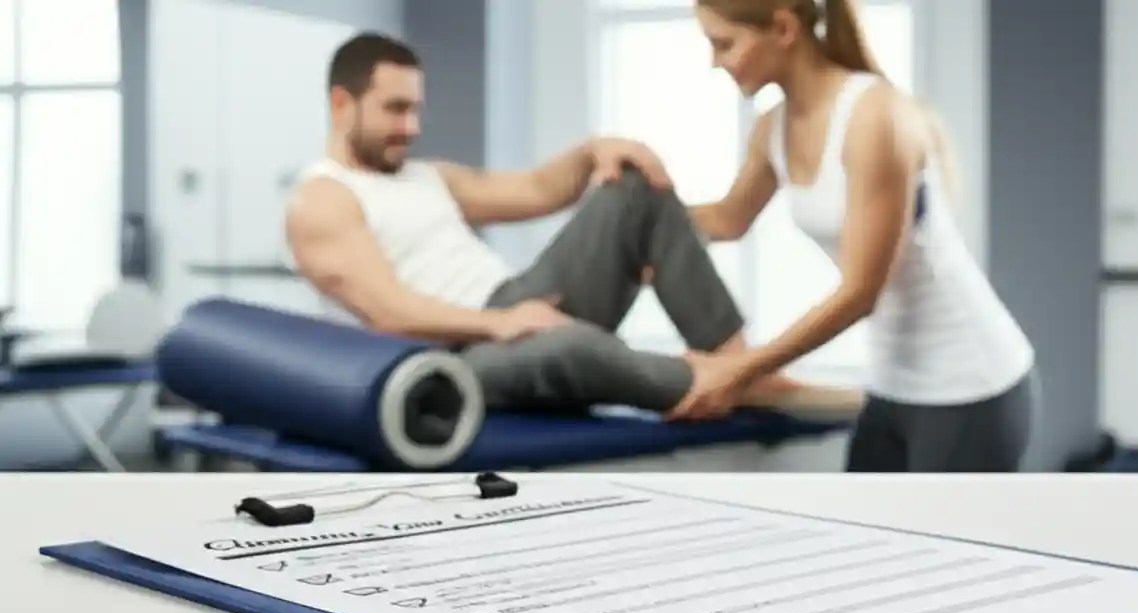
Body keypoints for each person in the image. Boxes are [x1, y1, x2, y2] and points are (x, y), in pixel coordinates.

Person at [285, 32, 866, 421]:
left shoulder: (426, 176)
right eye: (394, 109)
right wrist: (503, 323)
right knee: (567, 345)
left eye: (415, 108)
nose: (411, 125)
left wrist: (595, 151)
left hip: (514, 308)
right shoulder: (323, 200)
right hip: (458, 354)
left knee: (633, 188)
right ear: (342, 104)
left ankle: (736, 361)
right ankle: (719, 382)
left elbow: (539, 189)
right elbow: (391, 313)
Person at [668, 0, 1038, 472]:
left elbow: (863, 292)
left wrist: (740, 371)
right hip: (892, 383)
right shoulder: (772, 129)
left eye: (724, 44)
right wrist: (631, 209)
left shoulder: (873, 116)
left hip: (970, 383)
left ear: (783, 28)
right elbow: (726, 219)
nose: (714, 63)